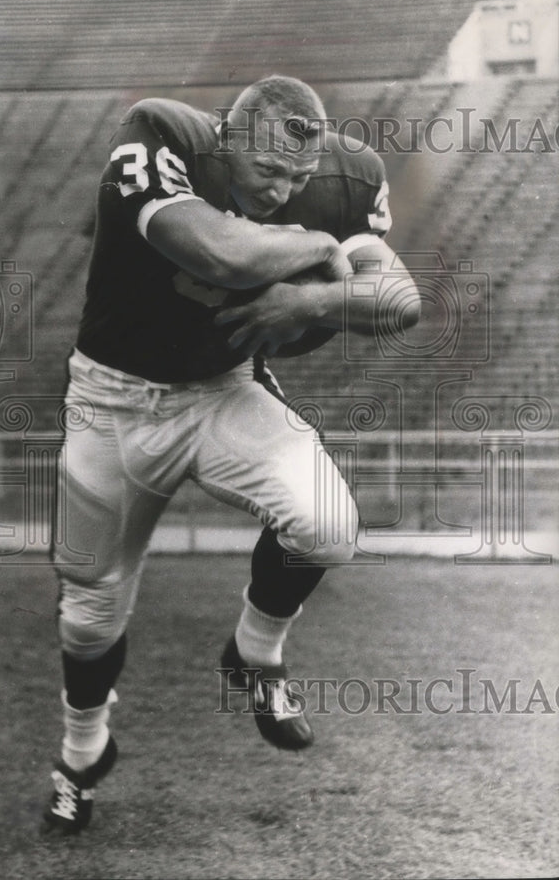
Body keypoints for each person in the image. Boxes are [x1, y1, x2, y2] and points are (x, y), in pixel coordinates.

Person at [42, 74, 420, 833]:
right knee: (89, 614)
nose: (283, 189)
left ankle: (255, 652)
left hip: (223, 389)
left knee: (328, 526)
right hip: (113, 400)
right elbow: (220, 251)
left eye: (299, 177)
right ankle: (82, 754)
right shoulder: (160, 136)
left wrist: (309, 301)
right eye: (267, 171)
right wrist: (316, 249)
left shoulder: (348, 176)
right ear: (229, 137)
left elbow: (401, 300)